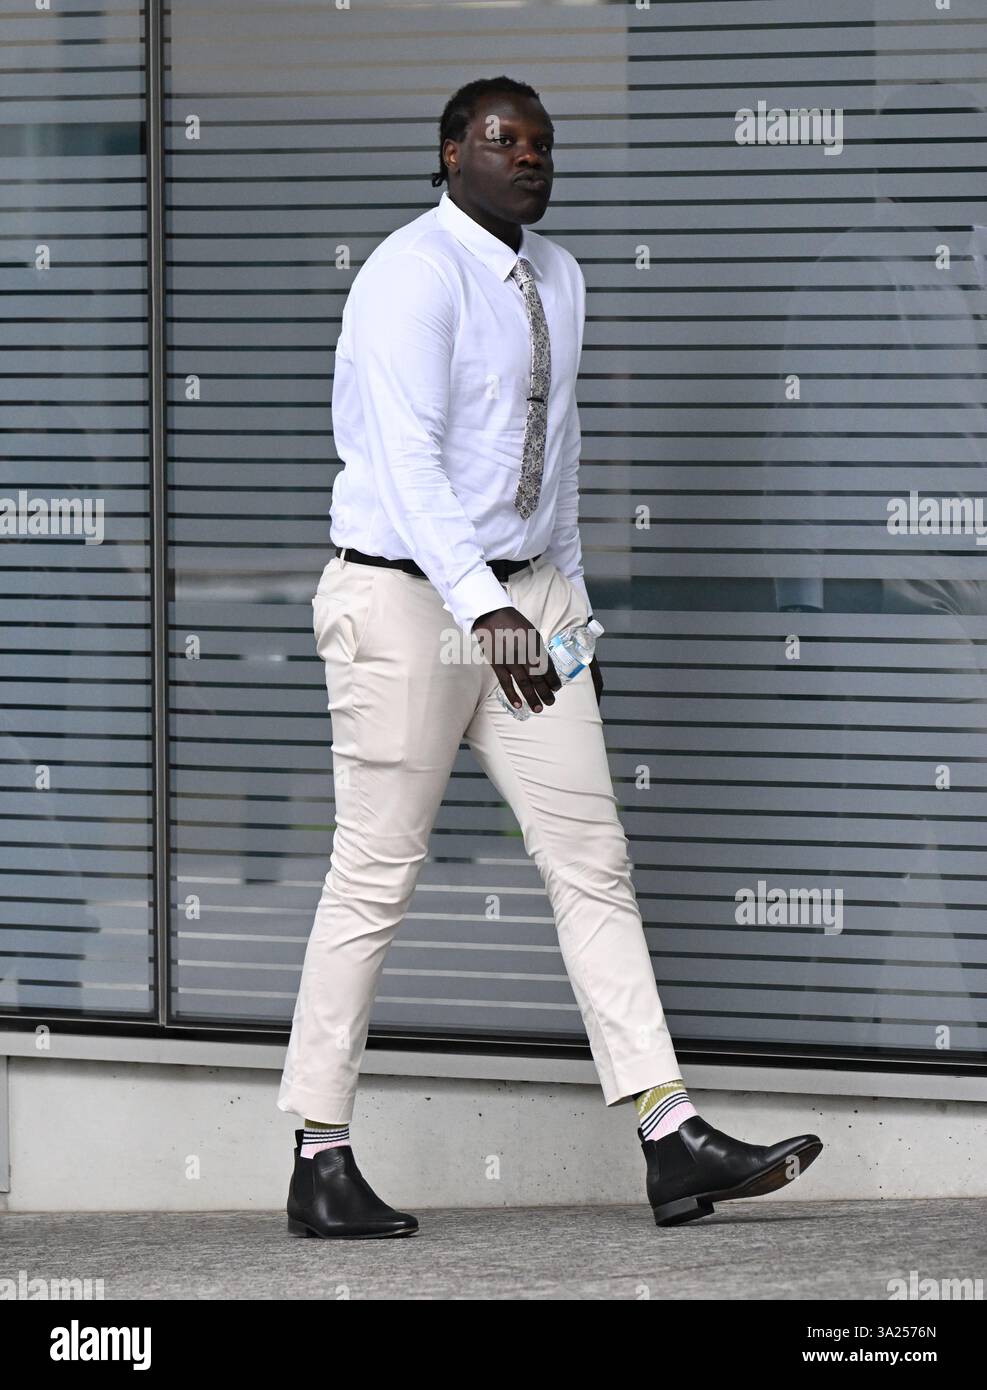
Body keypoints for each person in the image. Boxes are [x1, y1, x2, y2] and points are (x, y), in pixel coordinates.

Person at [278, 75, 822, 1237]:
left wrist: (573, 626)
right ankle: (318, 1155)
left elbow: (553, 462)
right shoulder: (407, 276)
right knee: (375, 874)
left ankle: (671, 1136)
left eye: (541, 143)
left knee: (594, 860)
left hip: (527, 608)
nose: (528, 156)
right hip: (402, 603)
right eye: (502, 139)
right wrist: (486, 612)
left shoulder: (561, 278)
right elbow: (413, 472)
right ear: (449, 152)